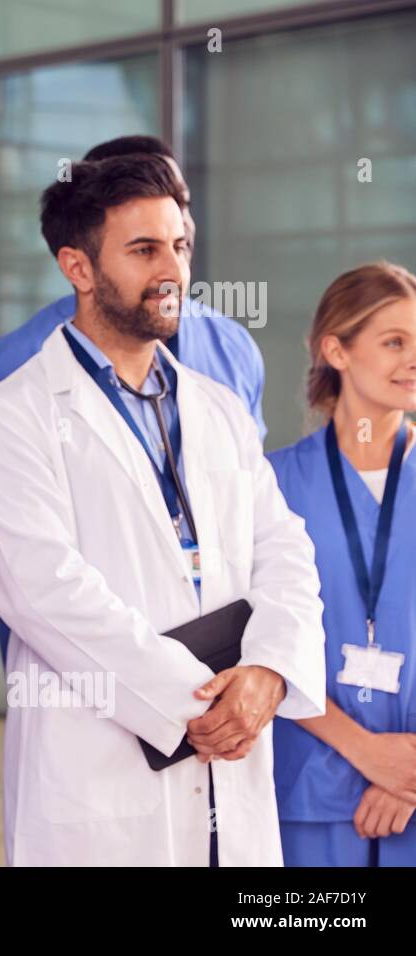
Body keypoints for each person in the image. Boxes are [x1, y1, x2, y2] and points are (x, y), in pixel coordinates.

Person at [0, 154, 325, 865]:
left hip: (233, 760)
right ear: (77, 267)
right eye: (143, 250)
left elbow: (284, 550)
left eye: (179, 246)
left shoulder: (215, 407)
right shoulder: (17, 415)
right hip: (102, 769)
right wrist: (198, 703)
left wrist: (268, 673)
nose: (172, 270)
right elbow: (44, 592)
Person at [0, 136, 265, 660]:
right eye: (143, 242)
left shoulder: (233, 350)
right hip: (83, 675)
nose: (177, 237)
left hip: (223, 658)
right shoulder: (15, 370)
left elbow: (259, 518)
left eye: (182, 208)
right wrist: (51, 589)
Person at [268, 262, 416, 866]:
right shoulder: (270, 484)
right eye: (394, 342)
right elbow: (254, 645)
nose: (413, 358)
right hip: (311, 786)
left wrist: (405, 771)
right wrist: (367, 752)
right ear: (337, 349)